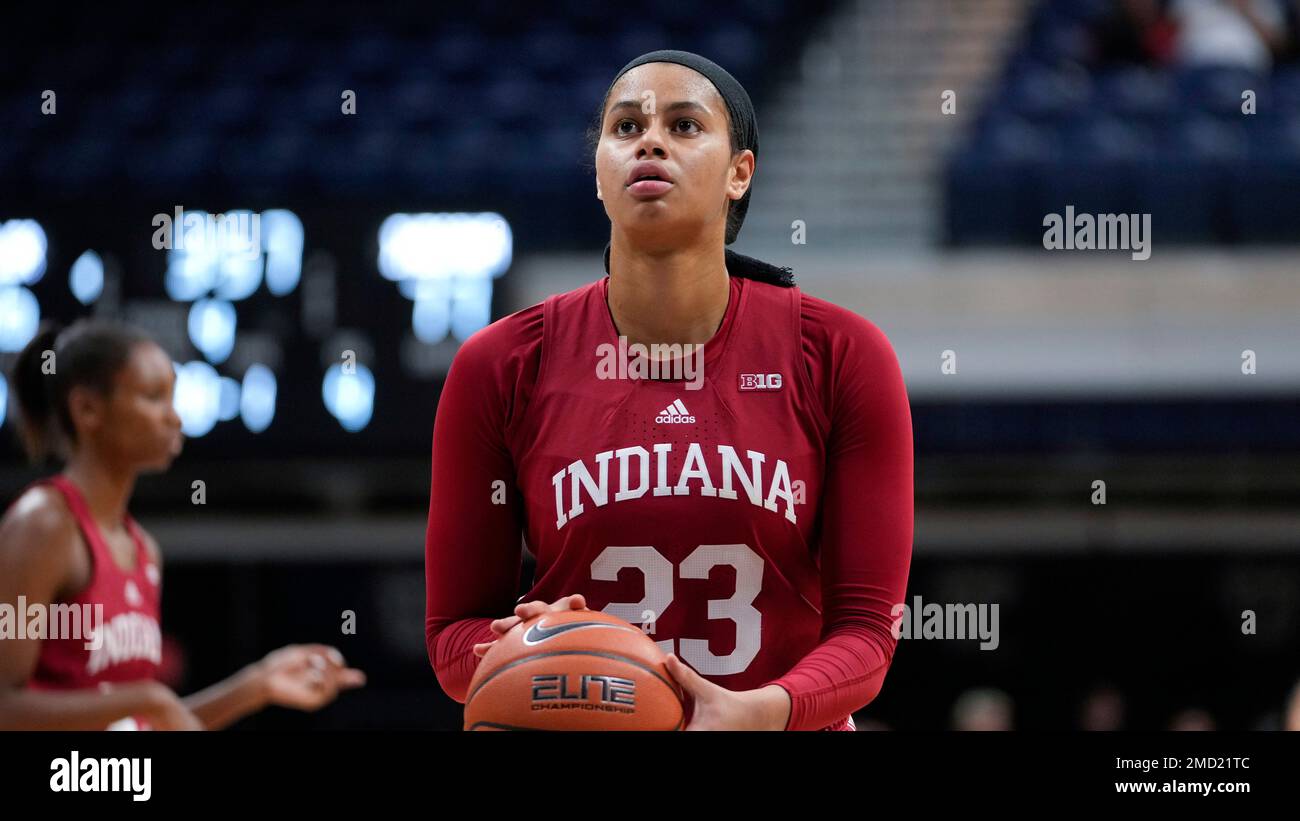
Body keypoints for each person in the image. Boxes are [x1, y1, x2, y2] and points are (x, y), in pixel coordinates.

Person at [424, 50, 913, 730]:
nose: (649, 140)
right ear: (598, 172)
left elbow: (867, 634)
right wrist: (520, 647)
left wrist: (761, 710)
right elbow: (451, 633)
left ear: (739, 173)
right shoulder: (501, 364)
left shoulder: (841, 355)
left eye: (685, 125)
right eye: (625, 128)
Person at [0, 319, 365, 730]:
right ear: (87, 409)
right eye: (154, 397)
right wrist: (148, 698)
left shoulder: (142, 549)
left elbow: (147, 725)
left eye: (174, 397)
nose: (174, 417)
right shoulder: (42, 525)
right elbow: (4, 708)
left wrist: (258, 684)